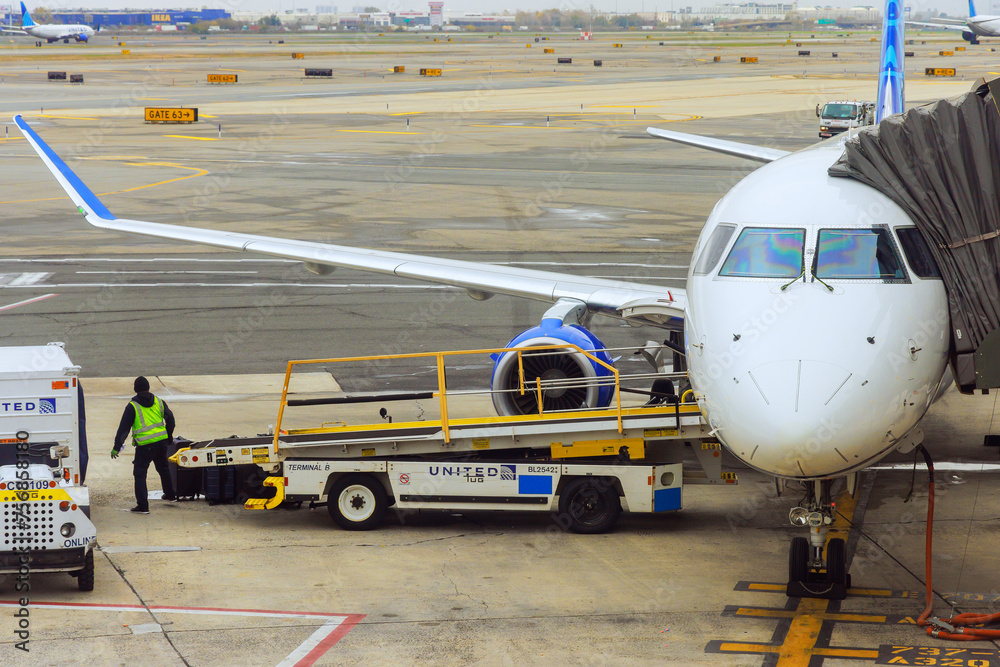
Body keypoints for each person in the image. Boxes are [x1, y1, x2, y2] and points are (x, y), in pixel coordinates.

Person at [111, 376, 177, 513]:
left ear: (135, 389)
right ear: (148, 387)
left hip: (145, 446)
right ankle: (170, 495)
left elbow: (124, 429)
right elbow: (171, 420)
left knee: (140, 474)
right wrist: (169, 437)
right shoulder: (159, 402)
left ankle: (143, 506)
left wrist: (117, 447)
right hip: (161, 442)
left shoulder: (132, 406)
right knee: (163, 468)